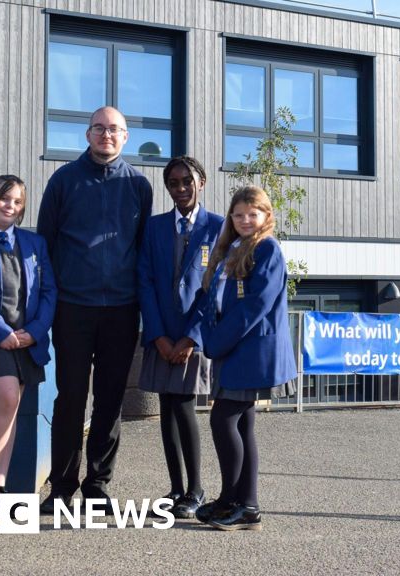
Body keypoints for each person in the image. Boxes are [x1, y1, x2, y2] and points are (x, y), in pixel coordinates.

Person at [36, 106, 153, 514]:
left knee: (109, 399)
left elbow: (142, 250)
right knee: (69, 397)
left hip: (122, 309)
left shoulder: (139, 185)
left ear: (125, 138)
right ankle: (62, 486)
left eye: (115, 129)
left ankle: (98, 484)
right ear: (87, 135)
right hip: (72, 307)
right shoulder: (64, 180)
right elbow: (44, 245)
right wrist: (46, 305)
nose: (107, 135)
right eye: (100, 128)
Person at [195, 185, 297, 531]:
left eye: (252, 214)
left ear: (266, 216)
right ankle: (240, 503)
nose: (244, 220)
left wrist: (217, 342)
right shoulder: (231, 248)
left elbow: (256, 304)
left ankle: (239, 502)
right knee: (241, 424)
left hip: (249, 349)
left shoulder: (267, 249)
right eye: (238, 214)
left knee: (223, 421)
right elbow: (214, 297)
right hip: (232, 346)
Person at [136, 156, 222, 518]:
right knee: (166, 408)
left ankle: (196, 490)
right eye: (173, 182)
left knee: (184, 405)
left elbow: (216, 287)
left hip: (193, 337)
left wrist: (189, 339)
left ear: (201, 181)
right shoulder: (154, 227)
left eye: (187, 180)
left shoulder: (218, 227)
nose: (181, 188)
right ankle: (175, 489)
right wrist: (158, 336)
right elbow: (146, 282)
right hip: (161, 335)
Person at [0, 175, 57, 517]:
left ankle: (0, 487)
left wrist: (34, 332)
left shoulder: (35, 243)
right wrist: (1, 331)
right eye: (4, 198)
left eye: (18, 201)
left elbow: (49, 291)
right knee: (5, 398)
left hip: (27, 342)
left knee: (12, 408)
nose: (10, 205)